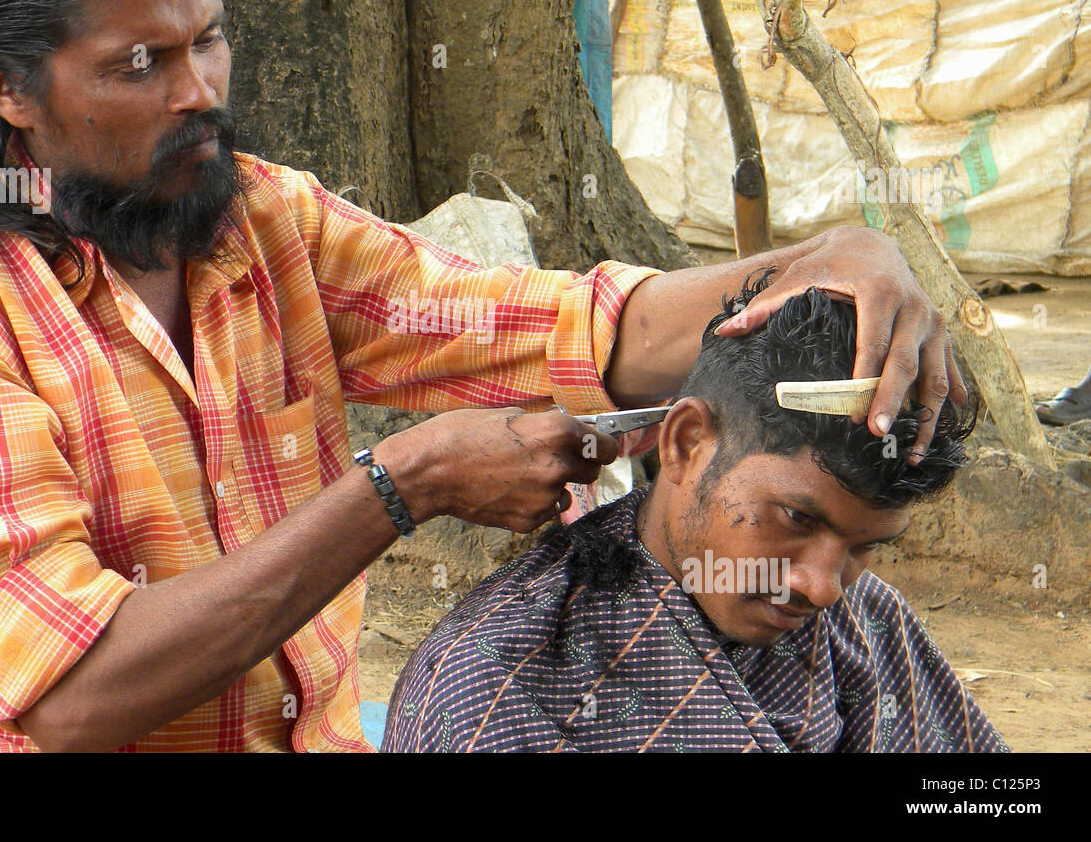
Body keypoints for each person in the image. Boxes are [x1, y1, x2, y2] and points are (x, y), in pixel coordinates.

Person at [0, 0, 966, 752]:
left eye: (207, 38)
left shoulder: (264, 227)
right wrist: (397, 485)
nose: (201, 91)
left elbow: (571, 326)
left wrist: (823, 262)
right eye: (140, 63)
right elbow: (71, 695)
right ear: (9, 90)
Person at [381, 277, 1007, 753]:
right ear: (684, 443)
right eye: (794, 517)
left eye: (865, 546)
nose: (822, 586)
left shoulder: (863, 621)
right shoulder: (494, 692)